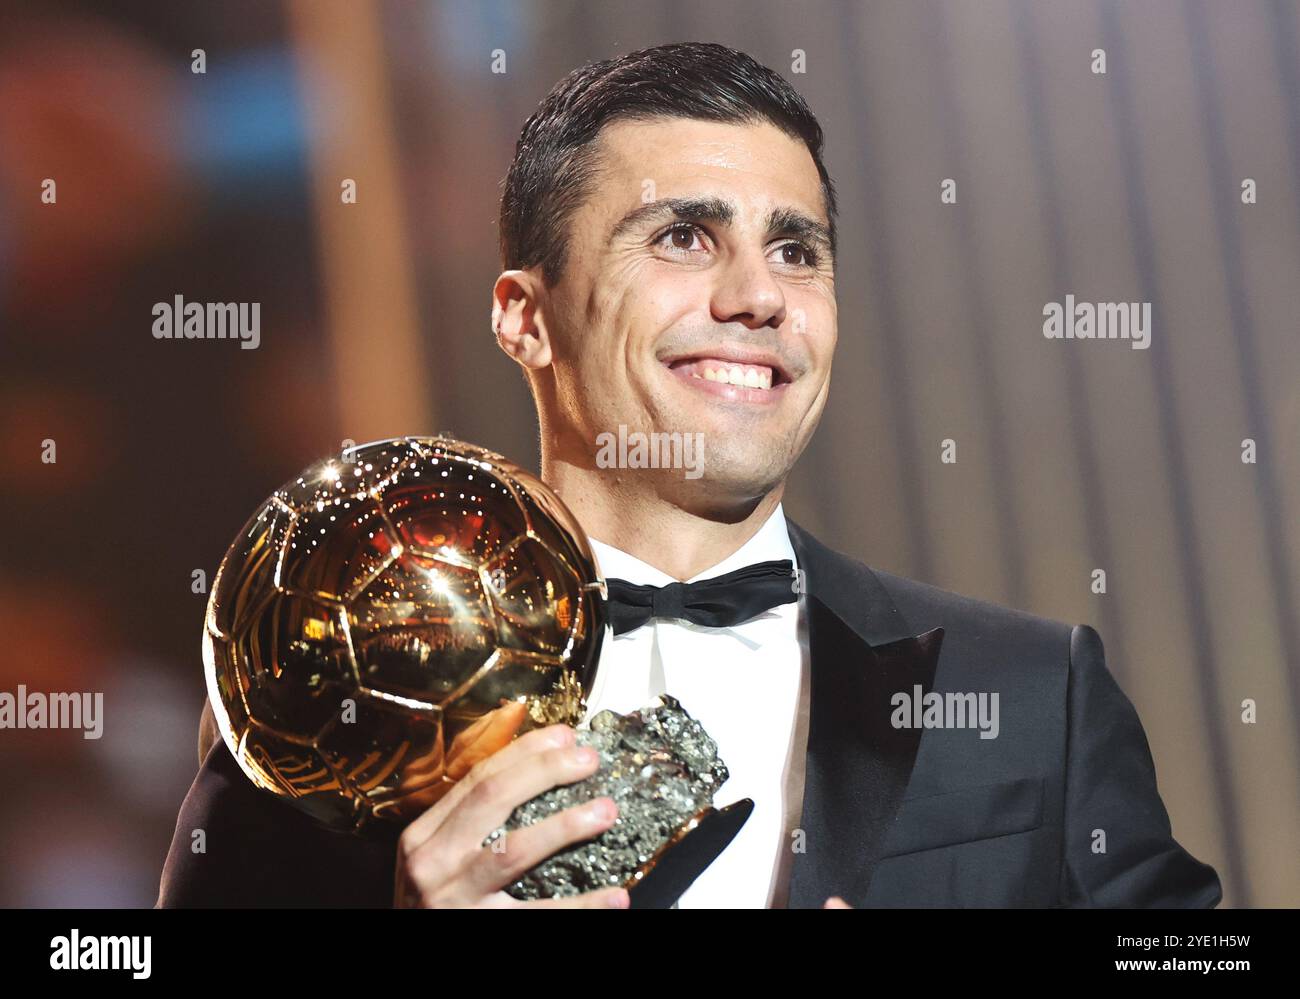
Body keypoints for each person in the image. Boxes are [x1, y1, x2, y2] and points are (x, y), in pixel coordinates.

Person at [158, 41, 1221, 909]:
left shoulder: (1030, 690)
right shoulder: (323, 700)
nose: (760, 296)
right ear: (525, 317)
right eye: (682, 237)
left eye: (797, 250)